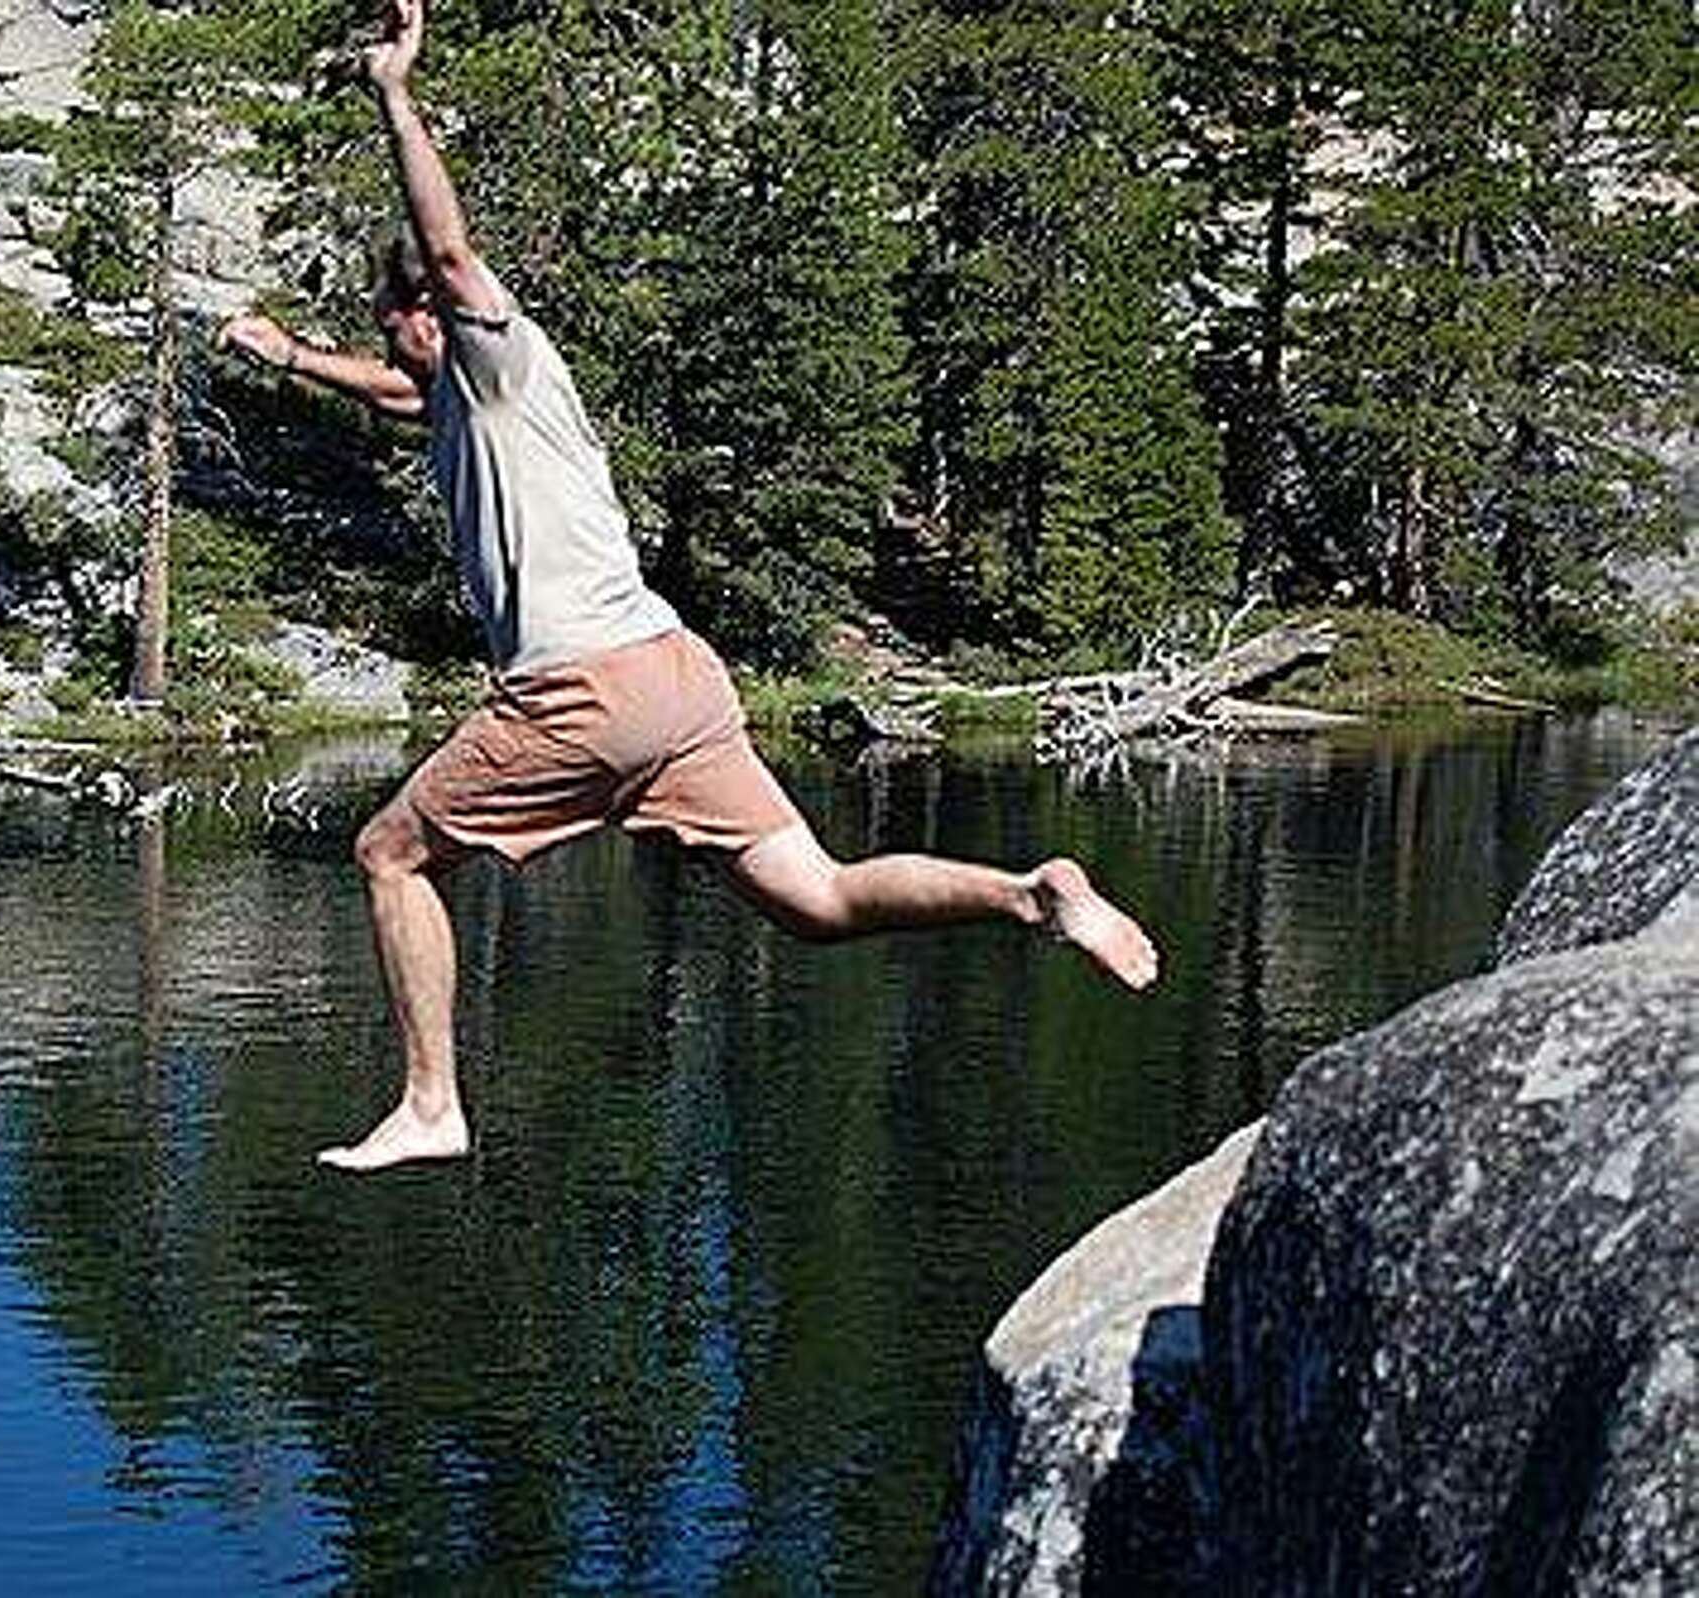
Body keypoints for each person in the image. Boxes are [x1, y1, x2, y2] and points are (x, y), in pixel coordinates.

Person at [220, 0, 1159, 1172]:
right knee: (816, 901)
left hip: (580, 689)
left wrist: (393, 93)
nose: (397, 339)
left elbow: (451, 257)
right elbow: (397, 393)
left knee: (391, 855)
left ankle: (431, 1101)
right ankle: (1032, 894)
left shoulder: (498, 354)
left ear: (429, 312)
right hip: (678, 682)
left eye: (395, 320)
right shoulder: (464, 401)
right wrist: (296, 357)